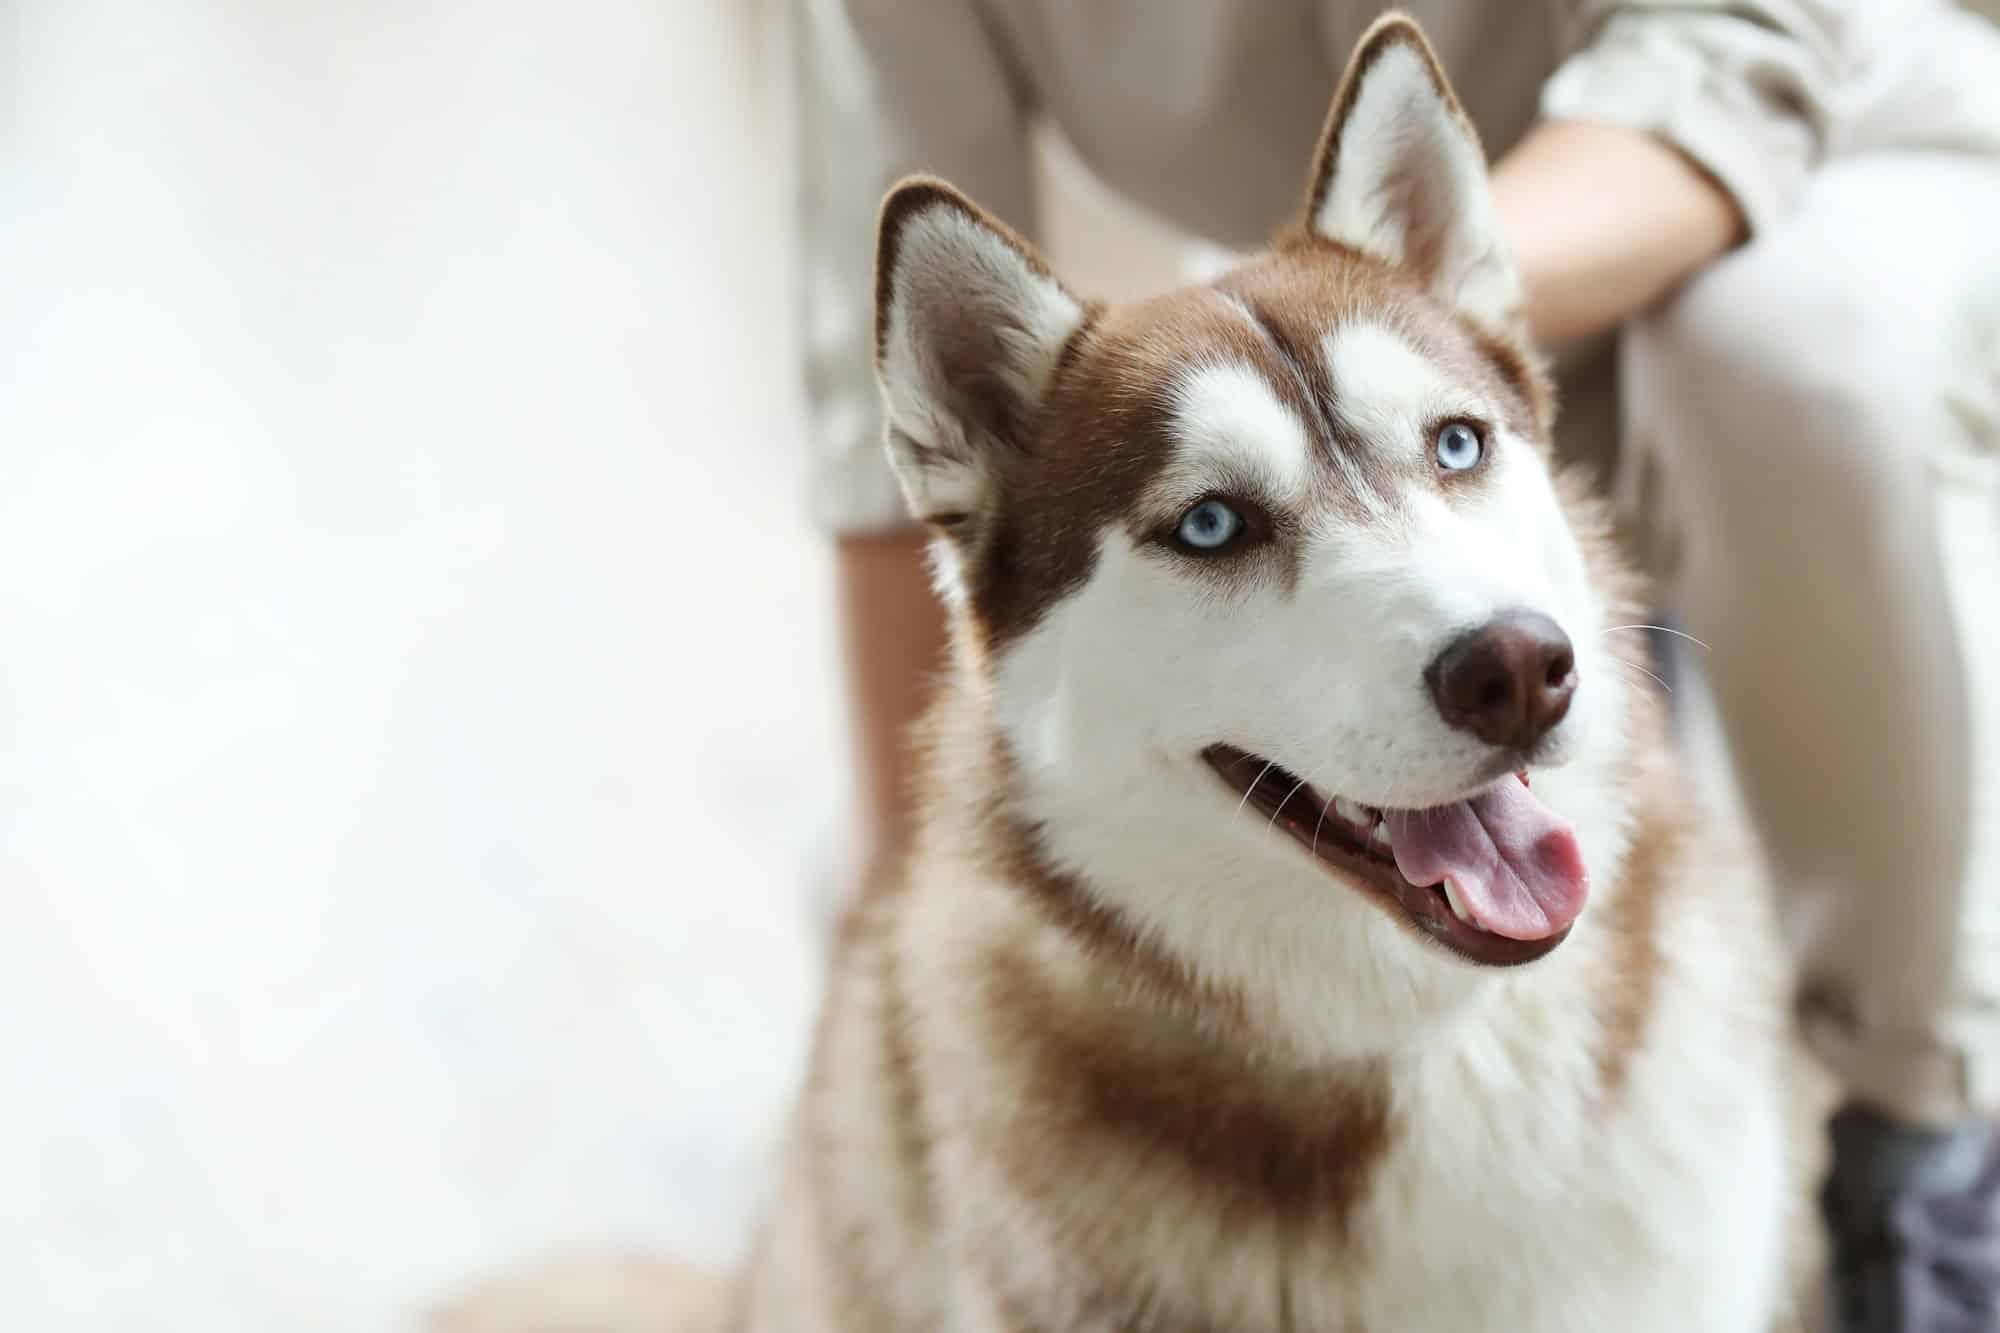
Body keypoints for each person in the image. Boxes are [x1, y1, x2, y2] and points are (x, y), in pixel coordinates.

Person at [791, 1, 2000, 1327]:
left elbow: (1742, 36)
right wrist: (897, 921)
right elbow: (882, 408)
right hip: (1371, 342)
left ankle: (1923, 1131)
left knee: (1784, 358)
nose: (1480, 642)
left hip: (1794, 162)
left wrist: (1363, 298)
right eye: (1214, 527)